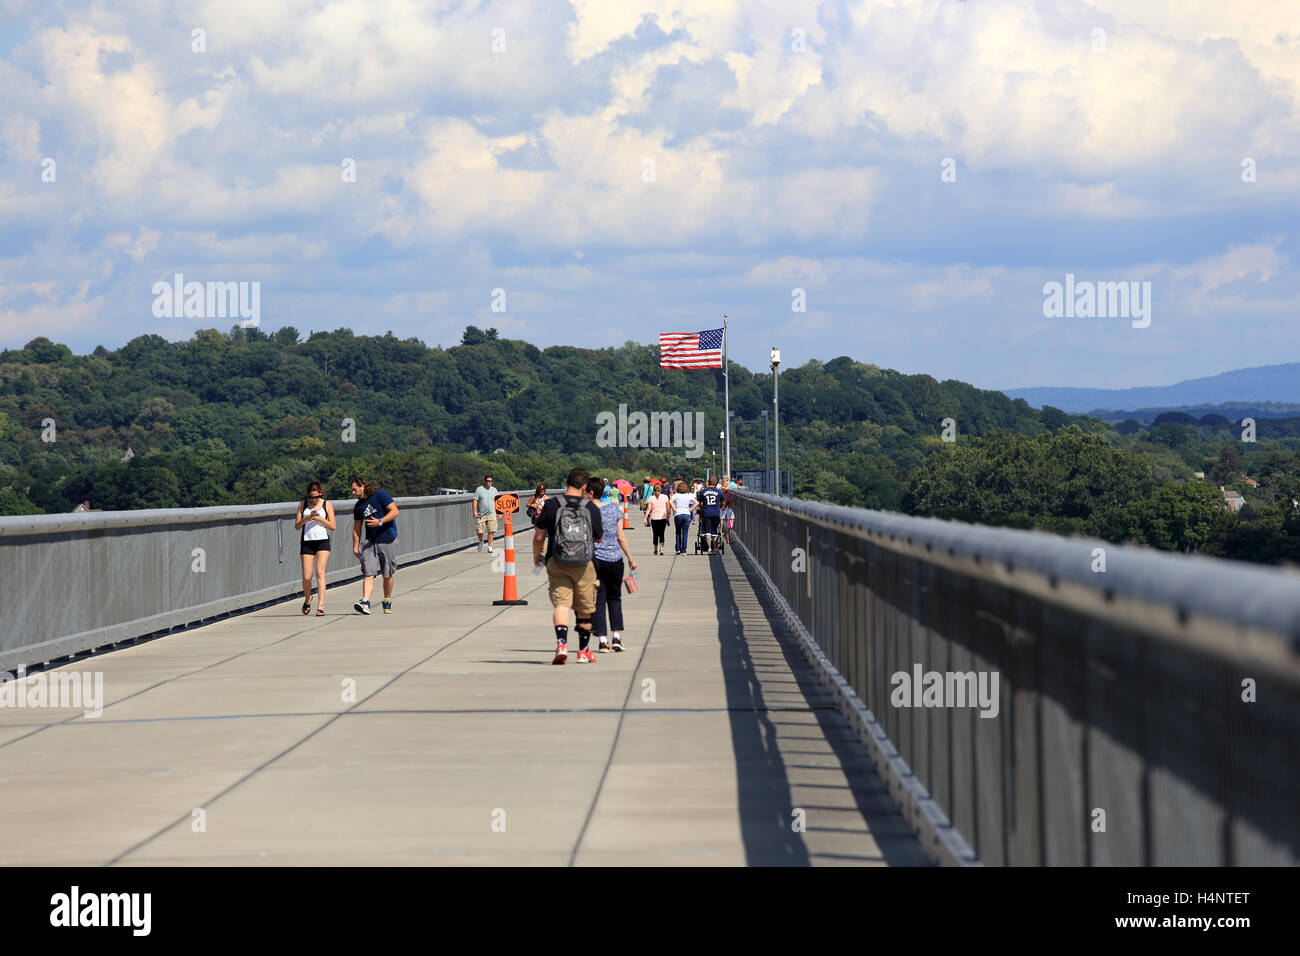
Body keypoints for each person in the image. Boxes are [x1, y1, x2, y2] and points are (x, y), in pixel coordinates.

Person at [533, 467, 604, 665]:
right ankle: (582, 651)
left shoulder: (551, 505)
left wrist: (536, 555)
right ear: (584, 486)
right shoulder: (591, 508)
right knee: (584, 607)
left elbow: (539, 535)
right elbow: (599, 538)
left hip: (557, 560)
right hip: (585, 563)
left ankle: (562, 644)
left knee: (562, 604)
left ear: (567, 482)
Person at [588, 478, 637, 653]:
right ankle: (616, 637)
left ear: (591, 492)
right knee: (615, 598)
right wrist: (630, 558)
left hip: (595, 560)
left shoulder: (587, 510)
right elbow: (621, 537)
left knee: (599, 600)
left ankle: (602, 640)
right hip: (615, 559)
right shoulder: (613, 509)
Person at [351, 477, 399, 615]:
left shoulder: (380, 495)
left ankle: (387, 599)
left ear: (363, 486)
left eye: (355, 489)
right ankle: (365, 602)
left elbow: (395, 511)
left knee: (387, 573)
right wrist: (355, 546)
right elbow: (357, 528)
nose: (353, 493)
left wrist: (380, 521)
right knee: (368, 572)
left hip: (387, 539)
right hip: (370, 542)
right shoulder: (358, 506)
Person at [295, 481, 336, 616]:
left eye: (316, 497)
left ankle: (321, 606)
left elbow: (332, 526)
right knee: (307, 577)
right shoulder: (302, 504)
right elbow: (297, 526)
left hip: (322, 541)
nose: (313, 500)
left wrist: (320, 519)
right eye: (311, 497)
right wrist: (306, 518)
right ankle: (308, 598)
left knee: (320, 572)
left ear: (320, 493)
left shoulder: (326, 504)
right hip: (307, 542)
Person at [697, 479, 725, 554]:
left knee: (707, 531)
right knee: (714, 530)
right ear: (716, 483)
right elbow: (723, 501)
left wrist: (701, 508)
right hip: (715, 513)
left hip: (706, 513)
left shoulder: (703, 491)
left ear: (708, 483)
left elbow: (699, 501)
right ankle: (715, 547)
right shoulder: (719, 491)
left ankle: (709, 548)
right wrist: (721, 506)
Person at [670, 480, 696, 556]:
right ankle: (684, 550)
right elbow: (696, 502)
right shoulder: (689, 495)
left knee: (678, 532)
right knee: (685, 533)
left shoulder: (676, 495)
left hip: (678, 514)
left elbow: (670, 501)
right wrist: (690, 509)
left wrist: (674, 509)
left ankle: (678, 549)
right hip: (686, 514)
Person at [644, 482, 670, 555]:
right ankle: (661, 550)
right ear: (661, 490)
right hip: (663, 518)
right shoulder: (665, 497)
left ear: (654, 490)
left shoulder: (651, 498)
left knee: (655, 534)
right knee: (662, 534)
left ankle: (655, 549)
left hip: (654, 518)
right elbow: (668, 508)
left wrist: (645, 518)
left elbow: (648, 509)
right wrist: (668, 516)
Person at [473, 476, 498, 553]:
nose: (489, 482)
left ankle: (490, 546)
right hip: (481, 514)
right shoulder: (479, 489)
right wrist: (474, 511)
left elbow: (497, 501)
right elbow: (475, 500)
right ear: (484, 481)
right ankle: (481, 541)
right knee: (479, 531)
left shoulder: (494, 490)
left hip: (492, 513)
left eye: (490, 481)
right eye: (487, 481)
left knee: (491, 530)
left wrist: (499, 513)